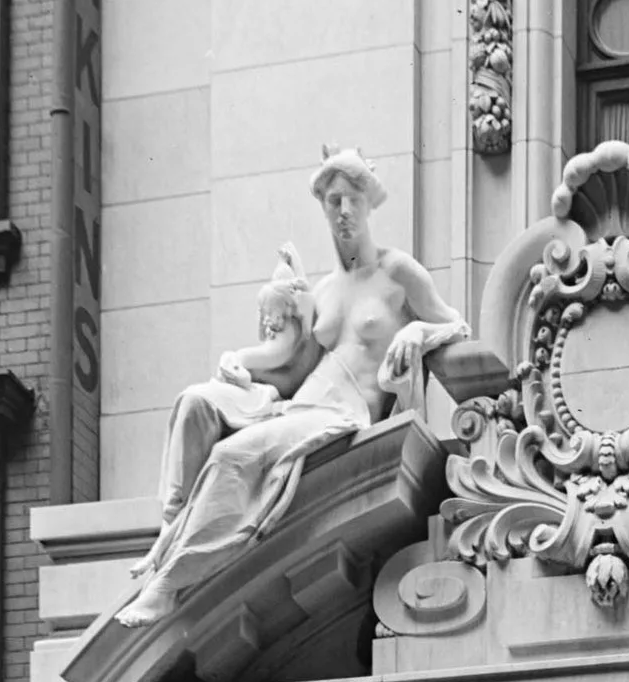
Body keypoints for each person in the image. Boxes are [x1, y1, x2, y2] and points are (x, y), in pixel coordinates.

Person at [120, 148, 467, 623]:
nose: (342, 211)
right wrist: (240, 363)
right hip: (301, 404)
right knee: (196, 403)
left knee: (229, 458)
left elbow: (456, 326)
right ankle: (169, 528)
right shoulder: (322, 293)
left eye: (351, 199)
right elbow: (292, 367)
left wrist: (415, 331)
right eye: (332, 201)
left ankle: (167, 583)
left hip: (342, 413)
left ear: (369, 204)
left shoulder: (398, 272)